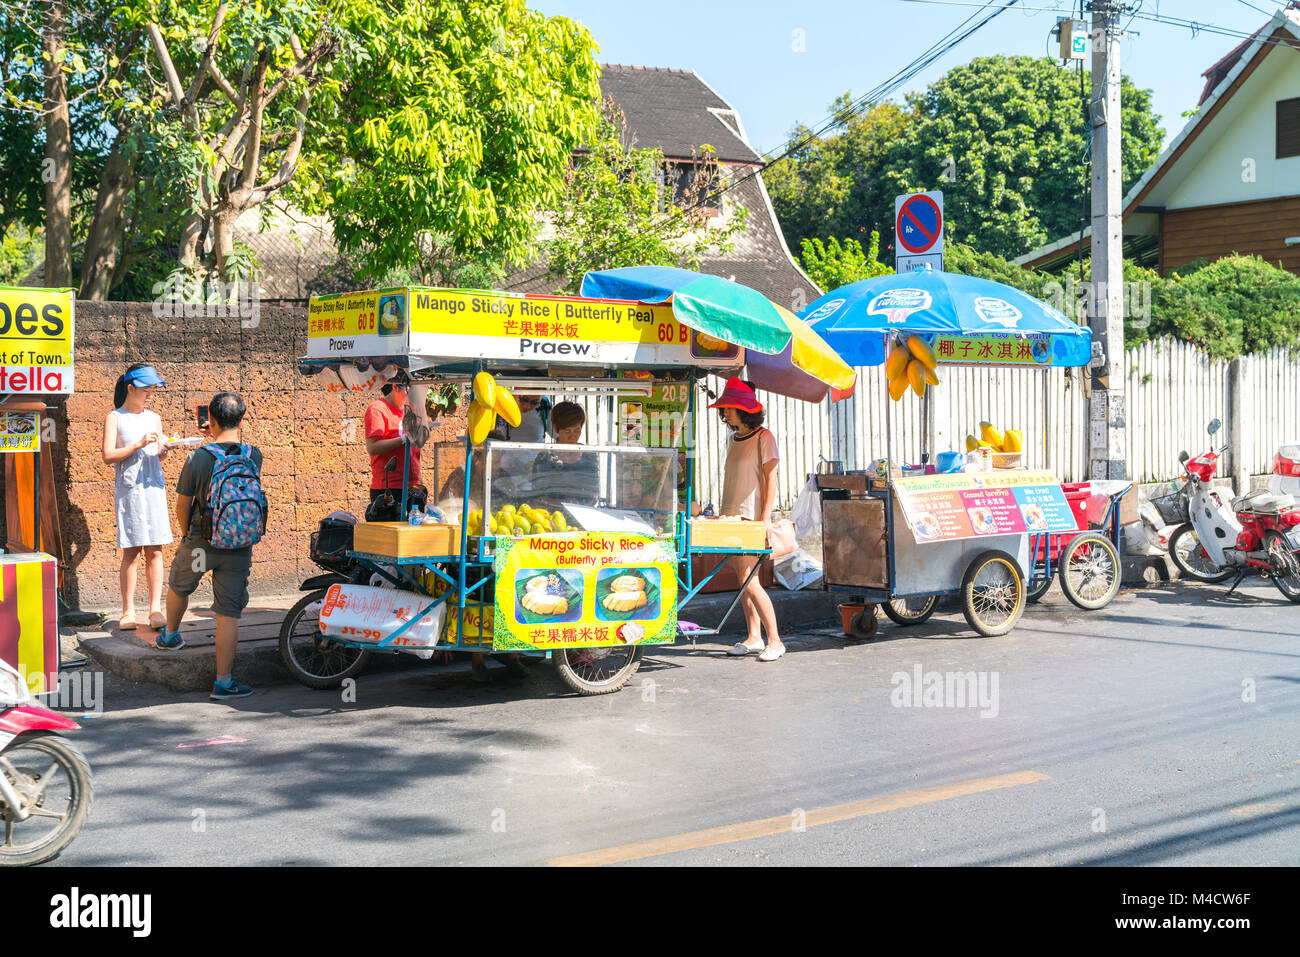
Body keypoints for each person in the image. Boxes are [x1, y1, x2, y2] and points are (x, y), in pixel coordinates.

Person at [157, 393, 263, 701]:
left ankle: (171, 635)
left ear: (211, 420)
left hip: (203, 541)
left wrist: (185, 534)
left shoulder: (199, 457)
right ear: (242, 420)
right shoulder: (254, 454)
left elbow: (183, 503)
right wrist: (216, 435)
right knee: (228, 612)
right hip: (239, 543)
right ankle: (224, 682)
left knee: (181, 585)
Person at [709, 378, 784, 662]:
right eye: (724, 408)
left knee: (751, 581)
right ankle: (754, 637)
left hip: (752, 519)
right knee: (743, 580)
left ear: (743, 409)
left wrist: (764, 519)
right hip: (732, 516)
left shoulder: (765, 438)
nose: (725, 412)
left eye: (728, 407)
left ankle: (775, 640)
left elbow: (771, 480)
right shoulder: (733, 439)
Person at [101, 363, 173, 631]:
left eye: (154, 389)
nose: (151, 393)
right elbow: (108, 456)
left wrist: (164, 450)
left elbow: (158, 454)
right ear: (130, 388)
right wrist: (136, 445)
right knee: (131, 551)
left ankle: (155, 609)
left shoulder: (154, 417)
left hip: (153, 486)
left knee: (155, 550)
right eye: (147, 388)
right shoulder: (115, 417)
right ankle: (128, 610)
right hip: (130, 490)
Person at [365, 368, 421, 508]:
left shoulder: (409, 410)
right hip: (389, 486)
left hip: (413, 484)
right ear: (396, 386)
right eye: (407, 390)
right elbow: (372, 447)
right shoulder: (378, 409)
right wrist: (403, 439)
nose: (409, 395)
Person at [530, 401, 599, 508]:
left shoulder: (589, 456)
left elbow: (594, 494)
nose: (573, 436)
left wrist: (582, 506)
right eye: (567, 431)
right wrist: (565, 504)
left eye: (577, 430)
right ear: (556, 428)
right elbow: (537, 497)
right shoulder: (545, 457)